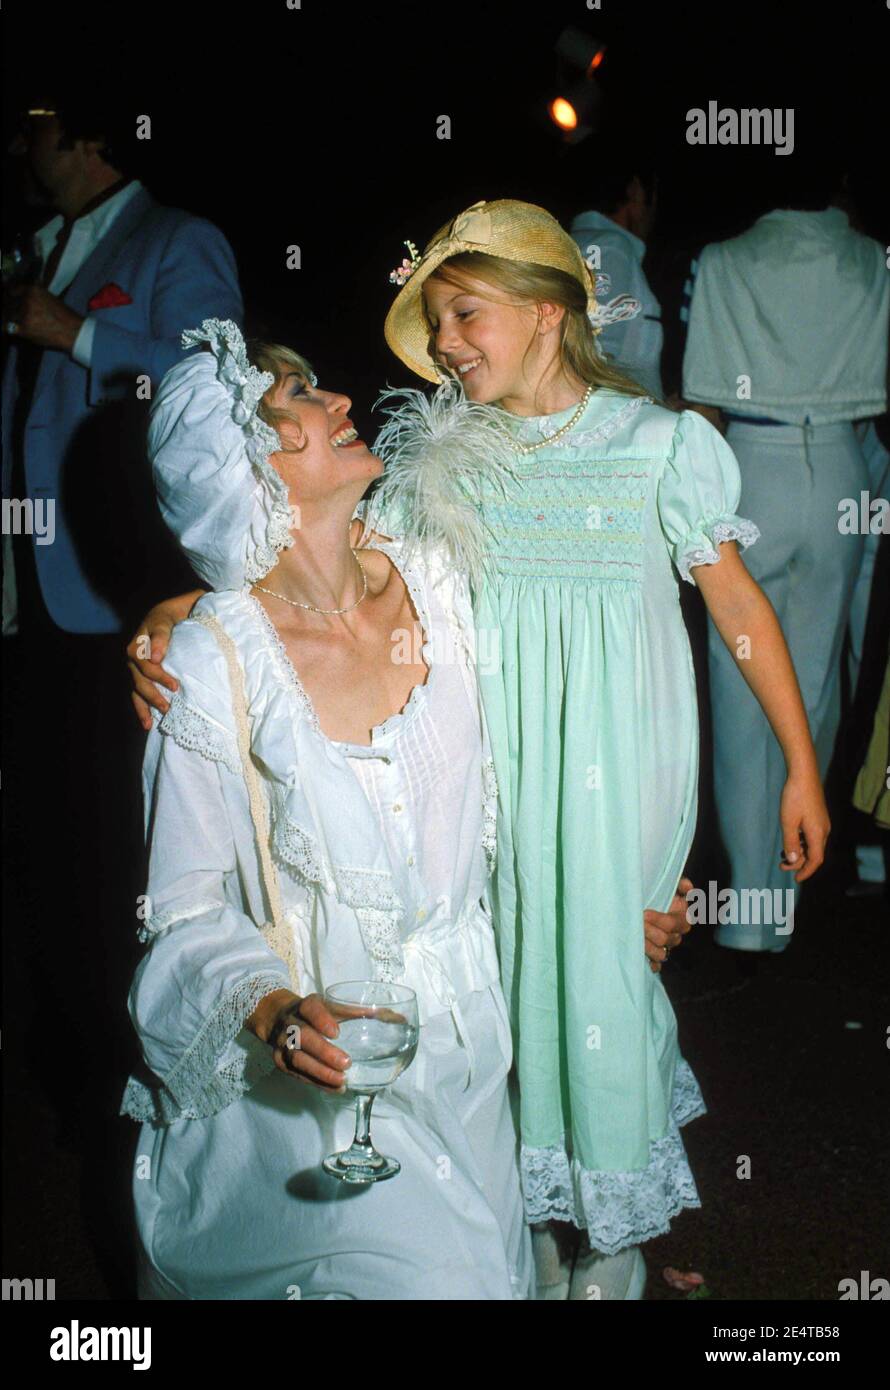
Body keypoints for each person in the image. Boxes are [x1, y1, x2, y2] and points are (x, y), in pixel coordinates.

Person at [127, 319, 700, 1303]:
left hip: (485, 1017)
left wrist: (633, 869)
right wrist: (272, 1010)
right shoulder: (213, 665)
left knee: (497, 1267)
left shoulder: (440, 570)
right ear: (240, 469)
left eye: (319, 385)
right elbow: (180, 907)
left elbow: (583, 694)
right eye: (296, 402)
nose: (340, 400)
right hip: (335, 1064)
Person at [365, 198, 829, 1300]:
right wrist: (183, 611)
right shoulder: (447, 459)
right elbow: (348, 577)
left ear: (544, 314)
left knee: (605, 996)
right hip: (494, 784)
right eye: (436, 325)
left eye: (464, 314)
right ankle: (519, 1259)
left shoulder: (659, 446)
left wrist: (799, 765)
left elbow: (740, 611)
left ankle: (607, 1263)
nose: (445, 345)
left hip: (620, 780)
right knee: (512, 997)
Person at [681, 163, 889, 950]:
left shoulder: (725, 257)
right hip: (839, 462)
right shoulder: (869, 258)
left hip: (750, 463)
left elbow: (700, 395)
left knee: (741, 686)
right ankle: (790, 875)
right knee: (811, 683)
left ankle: (748, 909)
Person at [568, 154, 663, 399]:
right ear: (636, 191)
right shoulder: (611, 248)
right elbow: (598, 357)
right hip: (619, 429)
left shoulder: (567, 244)